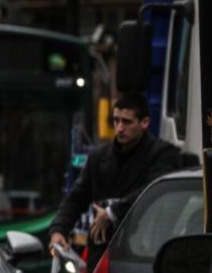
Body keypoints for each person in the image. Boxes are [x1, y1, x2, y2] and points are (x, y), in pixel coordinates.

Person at [48, 92, 184, 258]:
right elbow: (76, 197)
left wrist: (112, 212)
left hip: (144, 253)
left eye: (127, 122)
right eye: (116, 120)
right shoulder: (98, 157)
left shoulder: (163, 155)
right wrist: (58, 230)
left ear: (145, 122)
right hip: (101, 251)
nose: (120, 128)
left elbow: (152, 190)